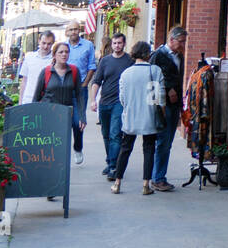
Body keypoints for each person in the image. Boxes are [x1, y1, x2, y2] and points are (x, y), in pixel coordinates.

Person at [112, 41, 165, 196]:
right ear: (147, 53)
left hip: (130, 116)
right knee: (149, 149)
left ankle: (117, 182)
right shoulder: (155, 71)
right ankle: (145, 184)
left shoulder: (126, 73)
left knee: (125, 148)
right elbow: (158, 98)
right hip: (149, 116)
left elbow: (122, 98)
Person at [33, 41, 86, 169]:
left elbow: (79, 94)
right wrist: (34, 116)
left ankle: (78, 148)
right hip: (50, 109)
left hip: (67, 108)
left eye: (66, 52)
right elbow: (36, 96)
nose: (64, 54)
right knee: (54, 138)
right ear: (54, 55)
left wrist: (82, 116)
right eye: (61, 52)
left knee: (78, 125)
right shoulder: (46, 72)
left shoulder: (74, 70)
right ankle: (53, 161)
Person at [90, 32, 134, 181]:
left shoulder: (129, 60)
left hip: (120, 103)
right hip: (104, 102)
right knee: (106, 134)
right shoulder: (105, 60)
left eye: (119, 43)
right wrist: (93, 100)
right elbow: (96, 81)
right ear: (112, 44)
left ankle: (114, 166)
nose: (117, 46)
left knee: (115, 134)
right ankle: (110, 162)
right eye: (114, 43)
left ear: (124, 44)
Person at [149, 26, 187, 191]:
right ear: (171, 40)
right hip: (163, 106)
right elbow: (152, 78)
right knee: (163, 142)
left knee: (167, 142)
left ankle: (159, 176)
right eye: (181, 41)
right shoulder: (158, 55)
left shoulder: (179, 56)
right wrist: (168, 88)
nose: (183, 45)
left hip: (175, 105)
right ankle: (157, 178)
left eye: (184, 42)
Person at [64, 20, 97, 154]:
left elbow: (92, 66)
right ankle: (63, 151)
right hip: (64, 88)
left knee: (78, 122)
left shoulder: (88, 45)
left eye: (76, 29)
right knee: (64, 121)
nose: (73, 32)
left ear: (80, 30)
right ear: (67, 32)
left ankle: (78, 148)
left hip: (80, 89)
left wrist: (85, 83)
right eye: (71, 29)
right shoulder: (63, 46)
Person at [18, 30, 55, 101]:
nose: (45, 46)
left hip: (46, 100)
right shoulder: (29, 57)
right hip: (28, 98)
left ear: (52, 43)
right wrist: (20, 100)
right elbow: (24, 81)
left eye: (49, 44)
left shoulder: (55, 60)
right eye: (43, 43)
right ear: (39, 41)